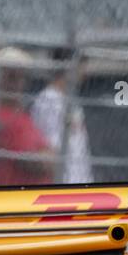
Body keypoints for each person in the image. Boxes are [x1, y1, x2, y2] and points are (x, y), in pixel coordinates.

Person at [0, 47, 54, 185]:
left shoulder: (21, 116)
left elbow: (46, 156)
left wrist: (48, 157)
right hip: (15, 198)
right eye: (11, 77)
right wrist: (48, 158)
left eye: (21, 77)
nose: (18, 83)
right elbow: (34, 163)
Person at [30, 47, 92, 183]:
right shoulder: (49, 100)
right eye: (82, 68)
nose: (84, 74)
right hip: (65, 186)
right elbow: (51, 149)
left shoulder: (69, 98)